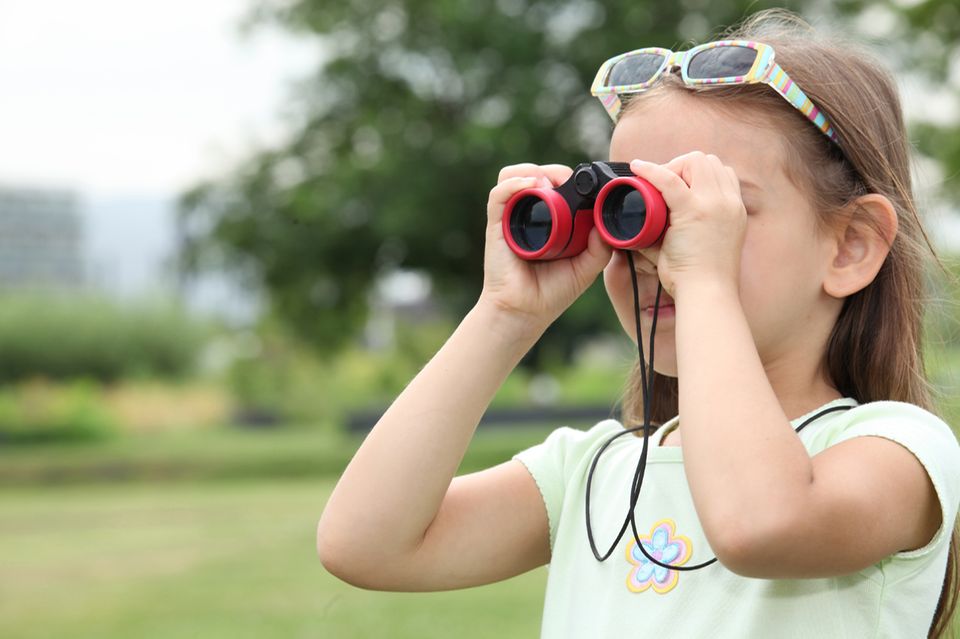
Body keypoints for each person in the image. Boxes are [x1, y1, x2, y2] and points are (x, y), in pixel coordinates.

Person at [317, 9, 960, 638]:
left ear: (851, 245)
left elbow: (757, 523)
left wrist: (704, 280)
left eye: (713, 209)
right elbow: (366, 544)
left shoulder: (897, 451)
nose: (656, 253)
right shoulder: (593, 472)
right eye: (631, 210)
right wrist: (505, 314)